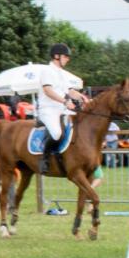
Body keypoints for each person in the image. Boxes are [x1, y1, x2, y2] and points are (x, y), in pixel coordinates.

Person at [37, 43, 89, 173]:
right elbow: (48, 91)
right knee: (56, 133)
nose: (68, 59)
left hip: (62, 108)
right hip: (48, 109)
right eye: (65, 56)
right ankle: (45, 158)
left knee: (79, 126)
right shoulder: (46, 71)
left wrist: (82, 97)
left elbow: (70, 91)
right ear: (56, 56)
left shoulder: (63, 74)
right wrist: (65, 102)